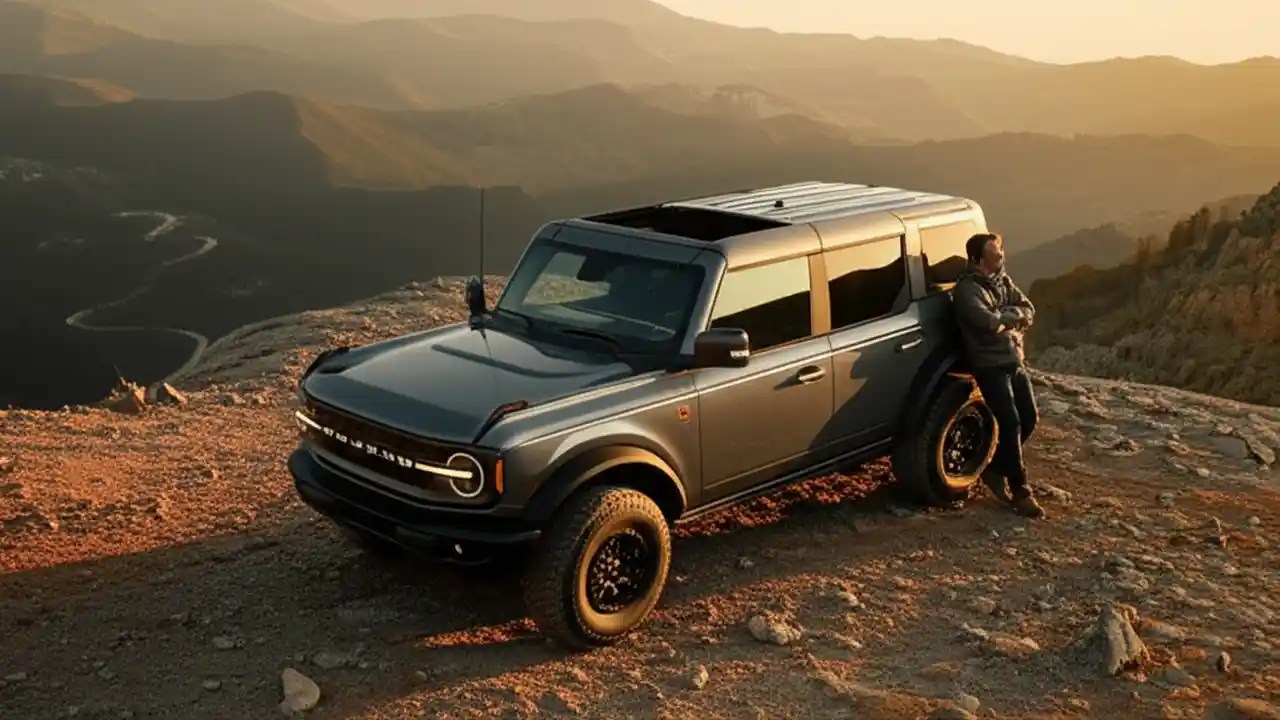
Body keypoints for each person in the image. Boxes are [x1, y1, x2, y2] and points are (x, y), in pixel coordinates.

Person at [952, 232, 1045, 519]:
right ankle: (1021, 490)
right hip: (989, 365)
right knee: (1010, 422)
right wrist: (1010, 317)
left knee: (1029, 418)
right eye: (995, 253)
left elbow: (1028, 309)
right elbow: (988, 322)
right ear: (979, 259)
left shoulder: (1003, 281)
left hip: (1014, 359)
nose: (1001, 256)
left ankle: (995, 469)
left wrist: (1007, 315)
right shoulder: (967, 290)